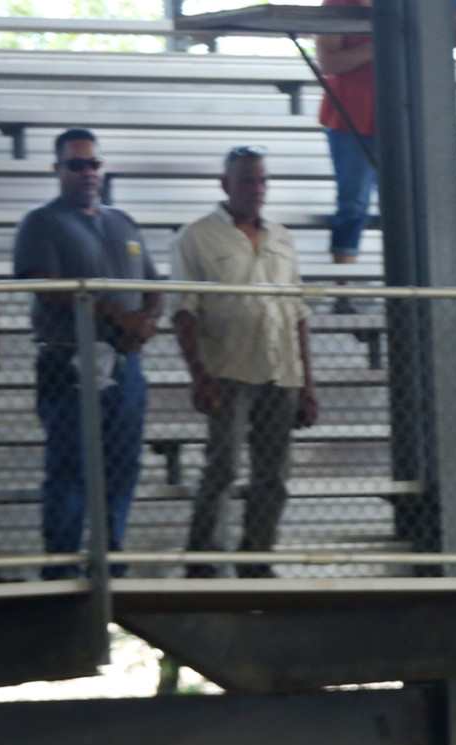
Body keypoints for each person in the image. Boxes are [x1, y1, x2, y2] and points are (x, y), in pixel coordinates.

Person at [13, 128, 161, 572]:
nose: (87, 172)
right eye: (76, 164)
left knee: (122, 463)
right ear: (57, 169)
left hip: (125, 365)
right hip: (68, 361)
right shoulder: (42, 223)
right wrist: (118, 316)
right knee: (70, 466)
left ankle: (110, 557)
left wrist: (146, 321)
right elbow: (46, 286)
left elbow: (154, 284)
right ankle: (60, 564)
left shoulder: (123, 222)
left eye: (93, 163)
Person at [171, 147, 319, 578]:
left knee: (272, 474)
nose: (256, 190)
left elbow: (298, 313)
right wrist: (200, 377)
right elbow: (183, 312)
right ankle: (202, 559)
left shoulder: (282, 238)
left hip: (282, 369)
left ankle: (257, 556)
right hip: (227, 370)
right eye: (246, 181)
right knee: (222, 467)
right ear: (225, 185)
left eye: (261, 180)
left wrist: (308, 383)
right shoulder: (195, 237)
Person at [315, 0, 380, 311]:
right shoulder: (337, 3)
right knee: (352, 204)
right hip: (350, 117)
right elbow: (328, 61)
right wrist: (379, 45)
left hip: (399, 116)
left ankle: (410, 285)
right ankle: (345, 291)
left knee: (408, 208)